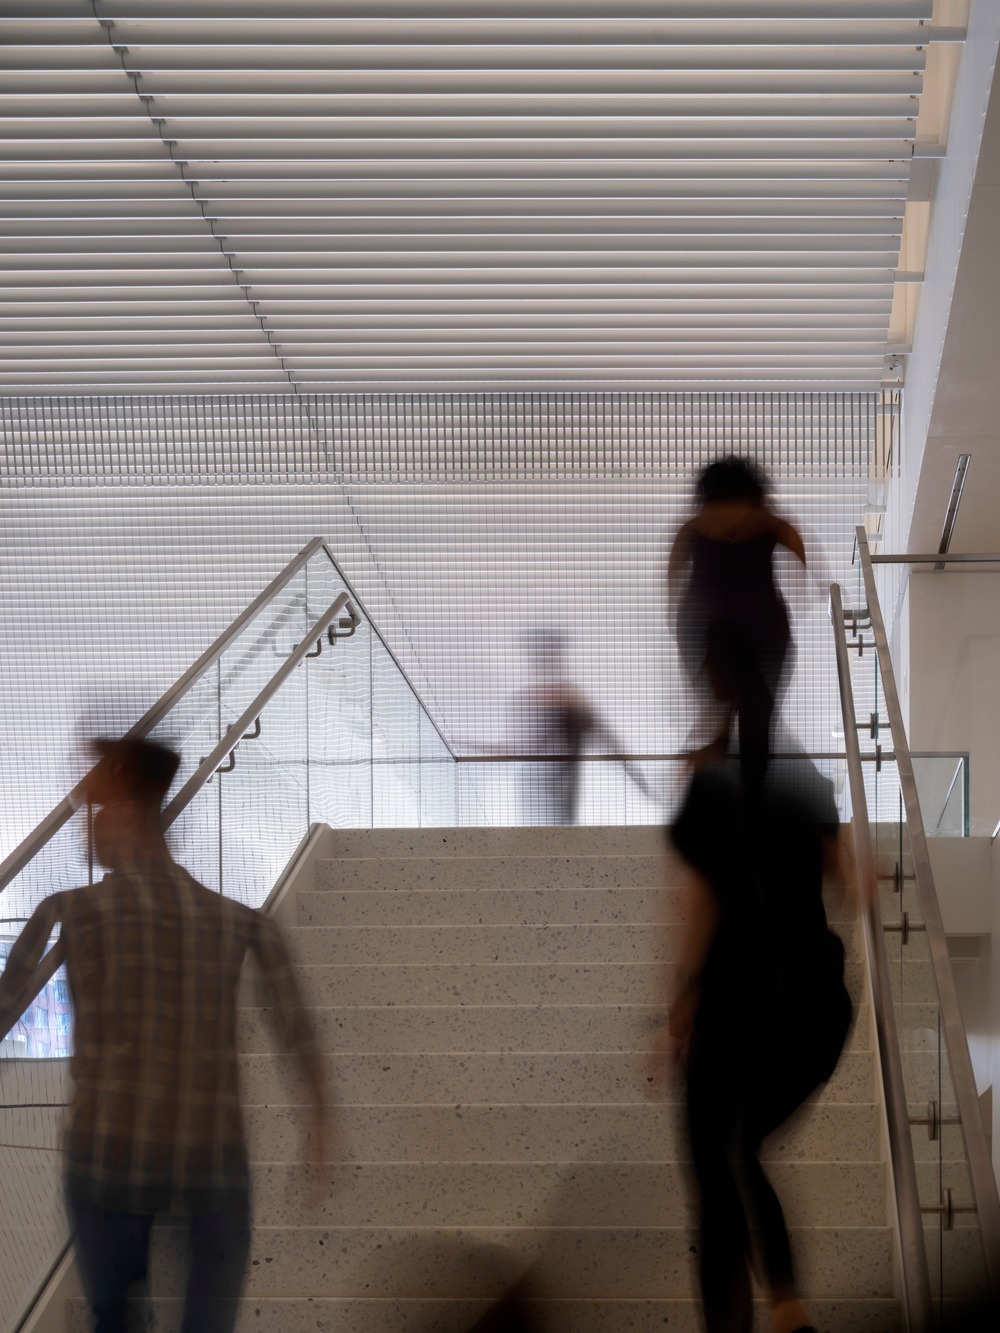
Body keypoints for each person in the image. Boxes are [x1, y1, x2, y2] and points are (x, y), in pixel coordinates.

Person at [0, 737, 329, 1333]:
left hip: (108, 1152)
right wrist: (321, 1116)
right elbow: (296, 1026)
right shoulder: (240, 922)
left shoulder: (68, 911)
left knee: (115, 1317)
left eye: (94, 815)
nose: (85, 829)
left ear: (125, 812)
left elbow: (2, 1006)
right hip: (213, 1159)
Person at [652, 753, 854, 1333]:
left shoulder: (713, 794)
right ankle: (788, 1307)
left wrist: (683, 997)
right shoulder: (802, 780)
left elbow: (697, 900)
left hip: (739, 1012)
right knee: (742, 1150)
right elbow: (844, 872)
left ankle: (753, 1315)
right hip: (818, 1008)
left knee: (717, 1173)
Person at [666, 457, 807, 799]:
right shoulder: (771, 523)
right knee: (754, 715)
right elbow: (801, 569)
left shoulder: (694, 527)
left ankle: (727, 779)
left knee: (738, 711)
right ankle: (744, 791)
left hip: (720, 629)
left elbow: (672, 583)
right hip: (754, 630)